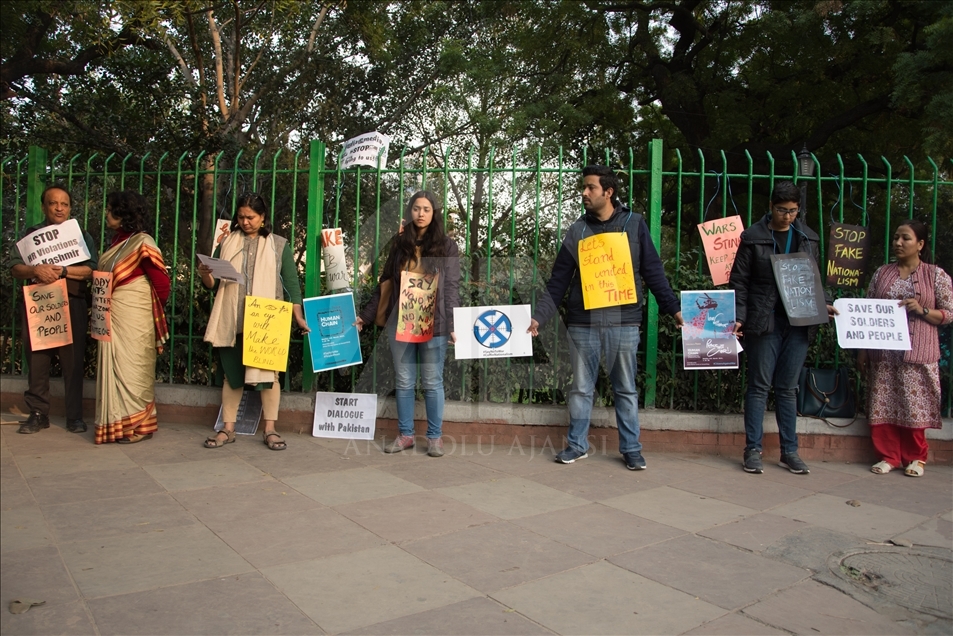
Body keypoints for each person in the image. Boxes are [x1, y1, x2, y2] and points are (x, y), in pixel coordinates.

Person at [528, 166, 683, 470]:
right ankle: (576, 445)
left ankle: (631, 449)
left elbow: (653, 272)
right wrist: (539, 318)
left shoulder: (634, 224)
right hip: (583, 324)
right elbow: (558, 281)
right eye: (583, 188)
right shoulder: (577, 231)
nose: (584, 193)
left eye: (590, 188)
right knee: (581, 389)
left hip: (624, 322)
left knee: (625, 387)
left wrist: (674, 309)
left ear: (608, 192)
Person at [729, 180, 836, 475]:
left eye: (792, 211)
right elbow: (739, 280)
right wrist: (740, 315)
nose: (786, 217)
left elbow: (814, 277)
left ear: (798, 209)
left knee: (788, 388)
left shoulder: (807, 238)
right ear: (771, 207)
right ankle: (753, 449)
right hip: (765, 322)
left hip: (799, 323)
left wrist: (824, 303)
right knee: (759, 386)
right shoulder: (752, 237)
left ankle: (790, 451)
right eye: (781, 210)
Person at [199, 193, 309, 450]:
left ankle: (270, 430)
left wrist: (299, 318)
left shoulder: (279, 245)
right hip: (233, 317)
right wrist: (205, 274)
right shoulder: (226, 242)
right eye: (241, 217)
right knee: (231, 375)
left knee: (269, 375)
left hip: (266, 321)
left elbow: (292, 286)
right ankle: (228, 429)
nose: (245, 222)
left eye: (251, 217)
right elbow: (211, 286)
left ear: (263, 217)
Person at [356, 191, 460, 457]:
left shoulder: (447, 246)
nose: (421, 213)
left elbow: (450, 287)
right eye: (416, 208)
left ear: (434, 213)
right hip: (400, 322)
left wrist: (452, 323)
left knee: (432, 382)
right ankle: (405, 435)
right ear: (410, 211)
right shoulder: (400, 243)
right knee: (403, 381)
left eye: (426, 209)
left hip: (433, 325)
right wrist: (366, 317)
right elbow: (385, 284)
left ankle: (435, 437)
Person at [858, 220, 952, 477]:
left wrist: (921, 310)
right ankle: (888, 456)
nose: (898, 243)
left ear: (920, 244)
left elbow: (948, 313)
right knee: (883, 402)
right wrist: (864, 350)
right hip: (885, 353)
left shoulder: (935, 275)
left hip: (916, 352)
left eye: (905, 238)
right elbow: (867, 312)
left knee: (914, 405)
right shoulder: (882, 273)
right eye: (896, 238)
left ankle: (916, 458)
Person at [9, 184, 97, 434]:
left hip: (72, 303)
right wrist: (35, 270)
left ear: (70, 208)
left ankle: (75, 417)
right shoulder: (31, 235)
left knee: (73, 362)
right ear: (44, 206)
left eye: (64, 204)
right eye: (53, 203)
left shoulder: (81, 236)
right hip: (39, 305)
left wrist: (64, 271)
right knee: (37, 361)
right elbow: (15, 268)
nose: (59, 208)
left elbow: (91, 269)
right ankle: (38, 414)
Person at [94, 191, 170, 444]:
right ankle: (118, 426)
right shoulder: (117, 241)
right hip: (112, 313)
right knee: (116, 368)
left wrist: (148, 312)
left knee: (134, 368)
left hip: (135, 317)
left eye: (110, 208)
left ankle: (139, 427)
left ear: (122, 213)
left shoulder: (142, 241)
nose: (106, 213)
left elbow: (161, 283)